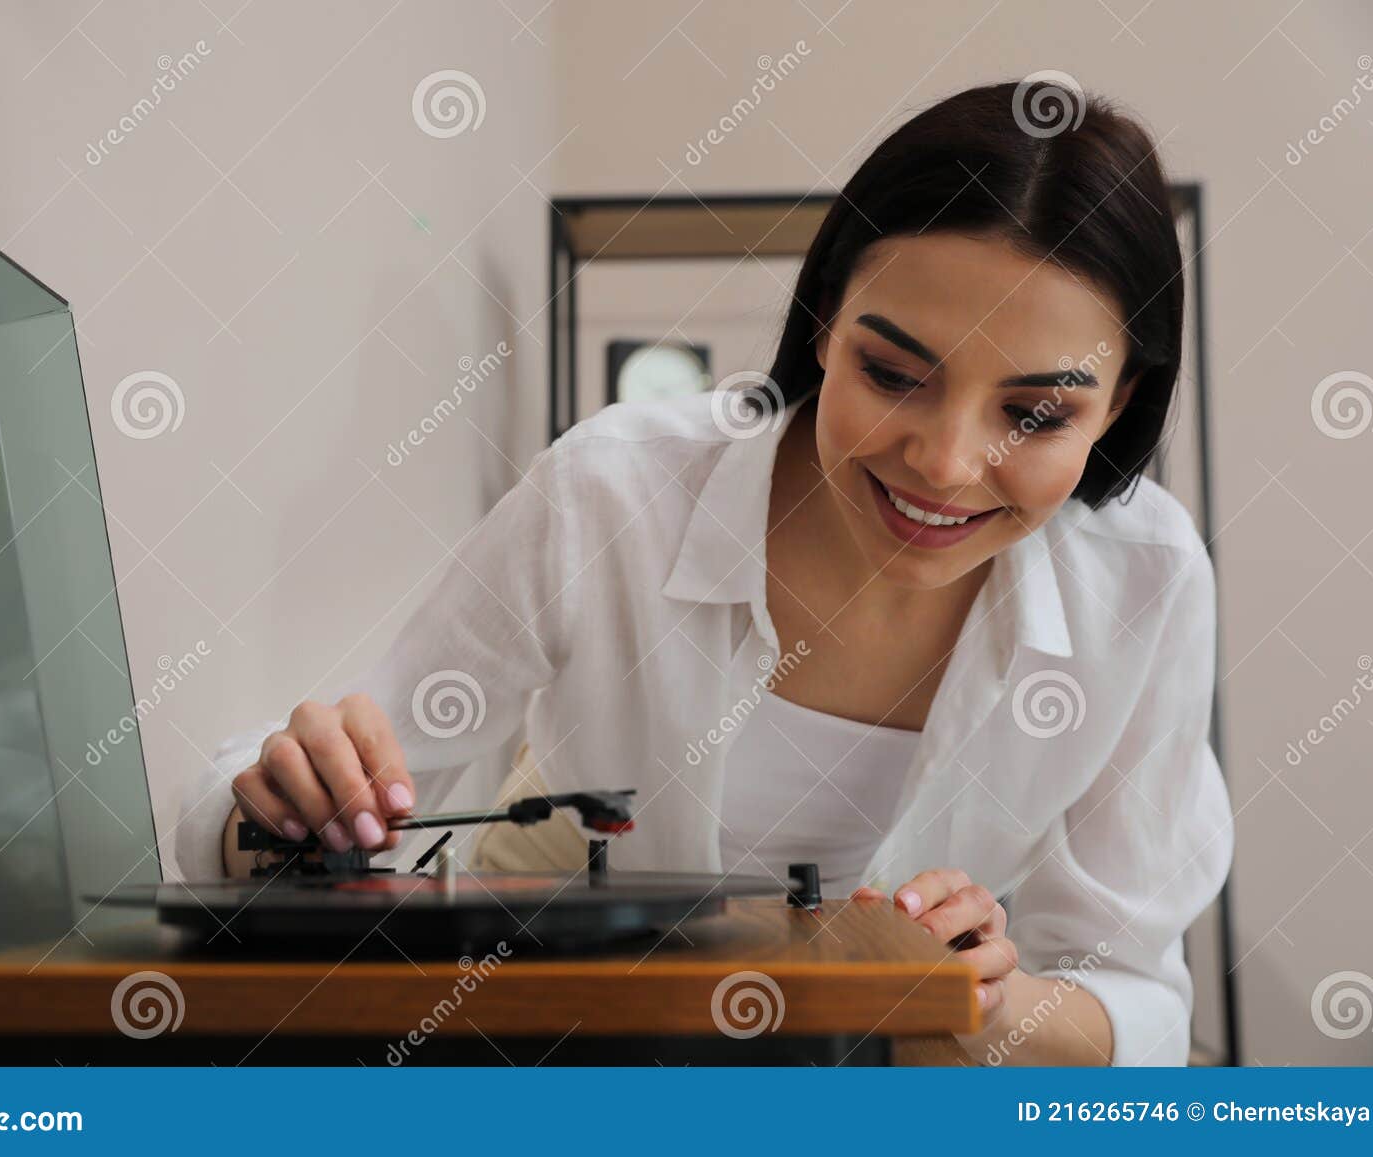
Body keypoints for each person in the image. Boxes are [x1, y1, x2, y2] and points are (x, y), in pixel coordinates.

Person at [174, 79, 1233, 1066]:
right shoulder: (615, 492)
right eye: (895, 373)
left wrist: (994, 1004)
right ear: (823, 321)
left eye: (1035, 413)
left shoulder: (1146, 584)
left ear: (1122, 404)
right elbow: (342, 827)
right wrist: (283, 810)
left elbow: (1138, 993)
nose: (948, 465)